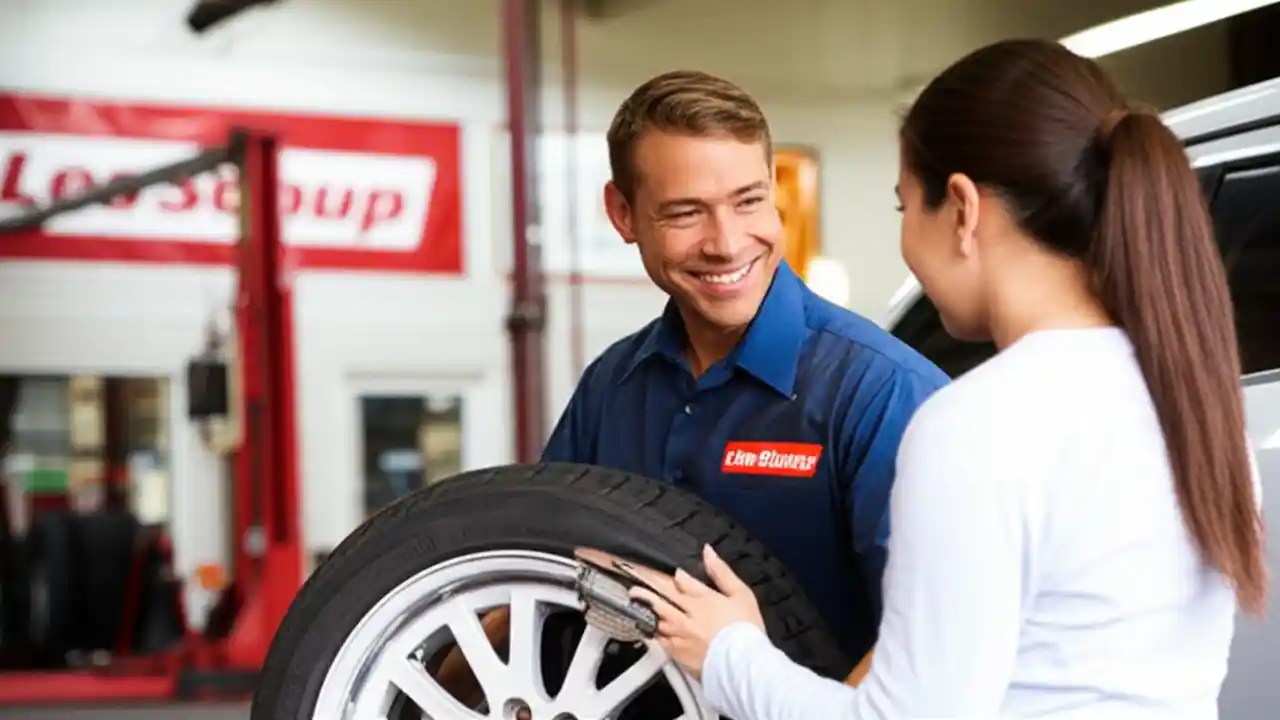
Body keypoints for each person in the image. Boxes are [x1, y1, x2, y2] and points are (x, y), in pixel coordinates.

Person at [629, 38, 1269, 719]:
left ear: (961, 209)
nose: (907, 240)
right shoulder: (1193, 406)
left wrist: (728, 651)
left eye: (905, 208)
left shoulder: (978, 425)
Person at [542, 69, 949, 670]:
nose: (727, 243)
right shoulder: (612, 386)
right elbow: (532, 568)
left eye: (749, 201)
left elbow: (933, 645)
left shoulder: (884, 393)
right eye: (686, 213)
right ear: (623, 213)